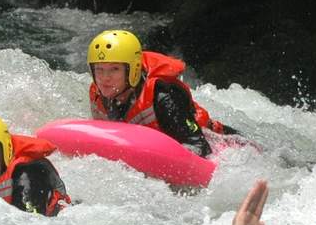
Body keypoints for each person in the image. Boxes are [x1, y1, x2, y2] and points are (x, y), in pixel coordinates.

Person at [87, 29, 244, 157]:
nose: (104, 78)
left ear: (132, 70)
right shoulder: (98, 93)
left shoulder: (162, 96)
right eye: (99, 69)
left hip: (223, 143)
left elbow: (200, 147)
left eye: (114, 69)